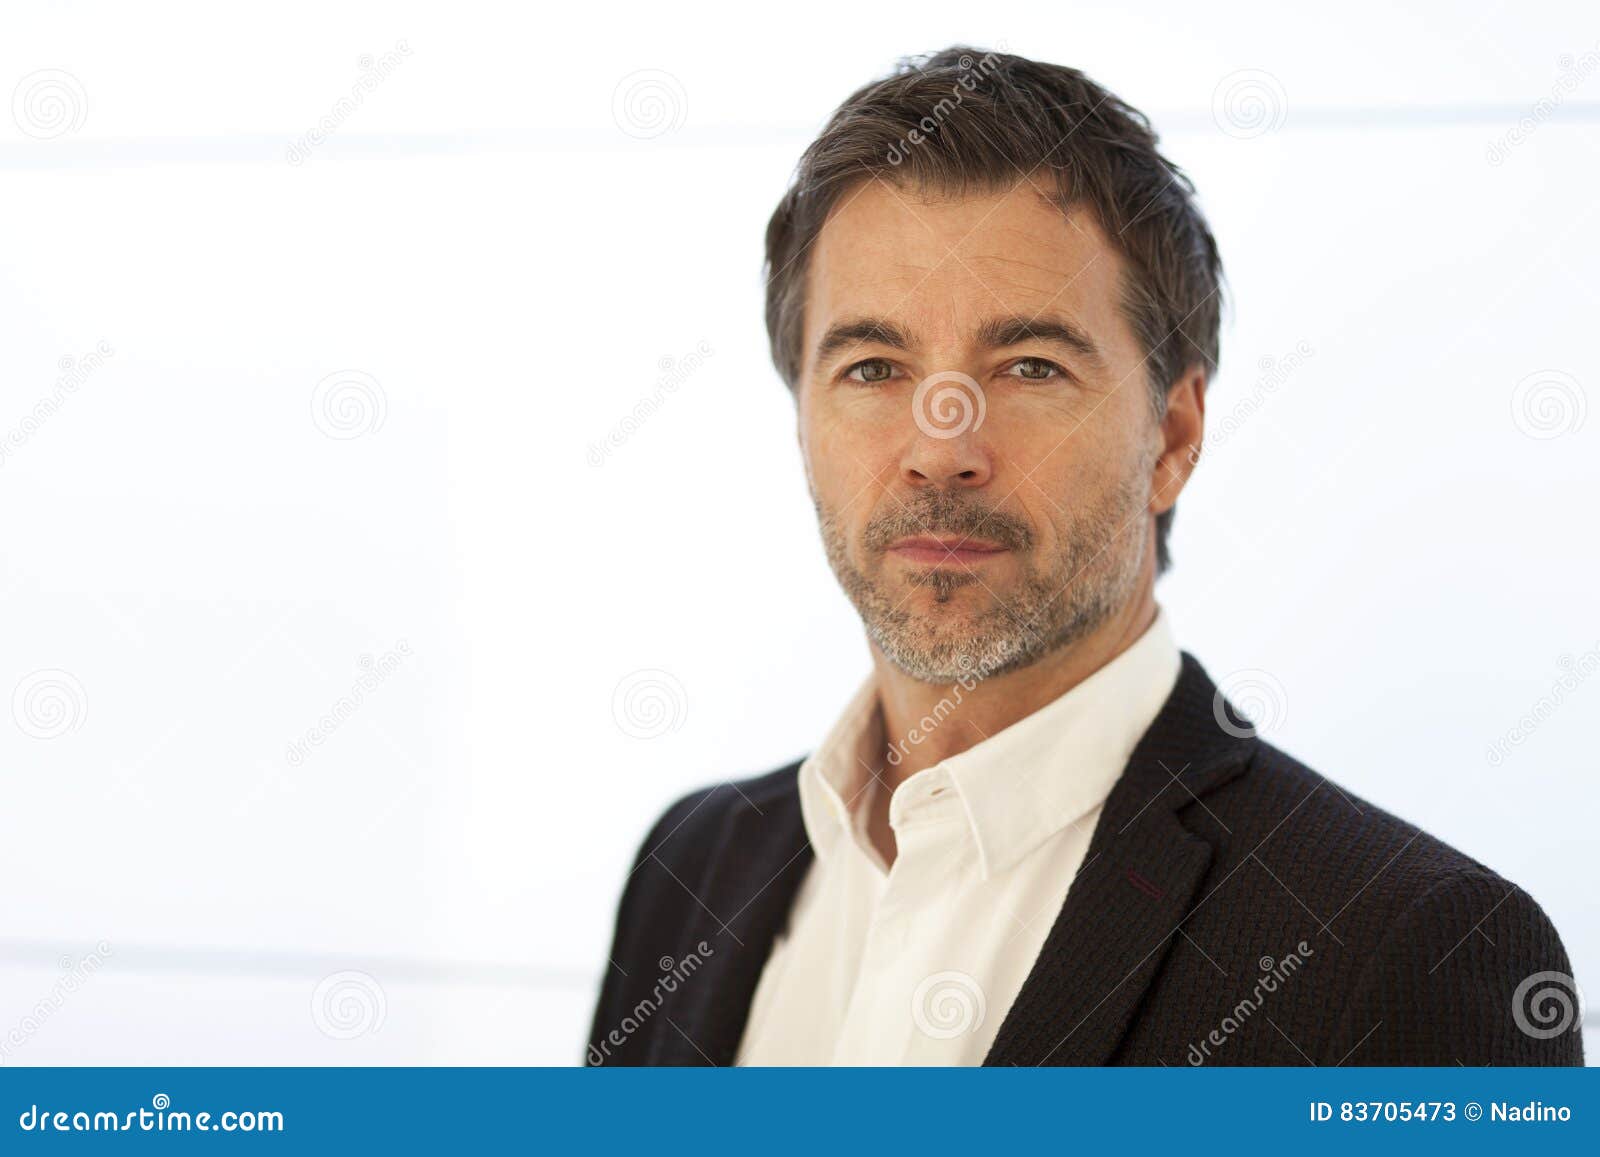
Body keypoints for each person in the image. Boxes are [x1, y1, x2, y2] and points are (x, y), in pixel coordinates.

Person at [587, 46, 1583, 1067]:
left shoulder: (1416, 952)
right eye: (874, 367)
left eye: (1030, 366)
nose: (941, 447)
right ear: (802, 420)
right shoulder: (689, 869)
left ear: (1174, 435)